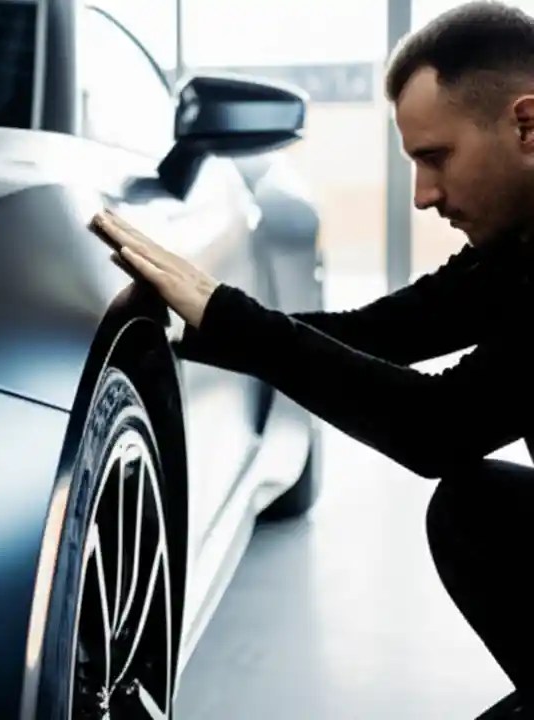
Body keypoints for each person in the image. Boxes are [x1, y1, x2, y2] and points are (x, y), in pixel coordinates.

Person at [94, 1, 534, 717]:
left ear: (526, 124)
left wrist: (227, 312)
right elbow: (380, 331)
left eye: (436, 157)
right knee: (473, 507)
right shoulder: (515, 248)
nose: (423, 196)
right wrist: (189, 327)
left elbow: (436, 427)